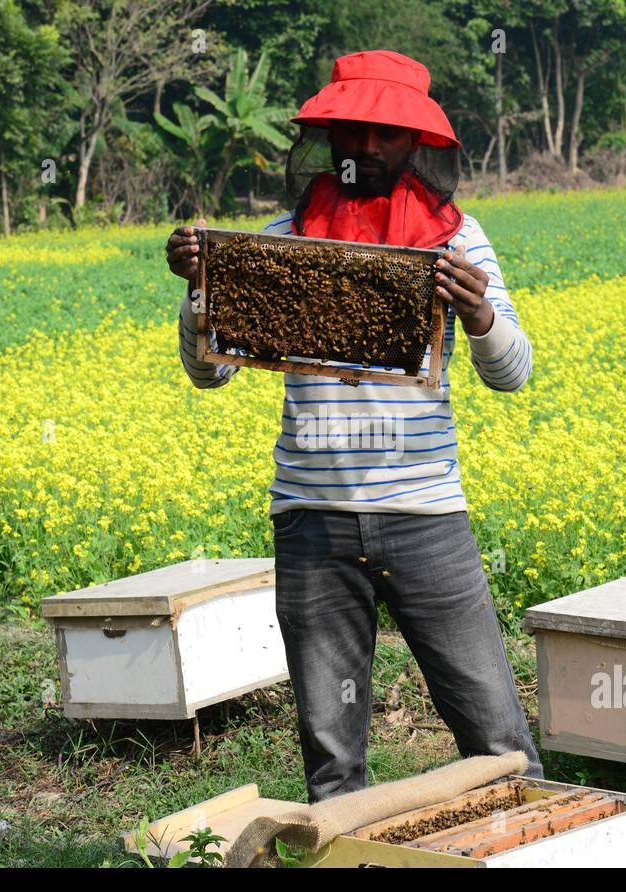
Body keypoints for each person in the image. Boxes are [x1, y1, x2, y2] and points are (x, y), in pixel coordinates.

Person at [166, 49, 542, 802]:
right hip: (312, 523)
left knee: (500, 738)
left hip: (426, 516)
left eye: (386, 135)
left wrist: (479, 316)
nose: (366, 150)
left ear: (417, 145)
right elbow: (211, 370)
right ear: (328, 135)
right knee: (332, 765)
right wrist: (201, 292)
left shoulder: (458, 241)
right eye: (353, 132)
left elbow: (514, 371)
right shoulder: (283, 238)